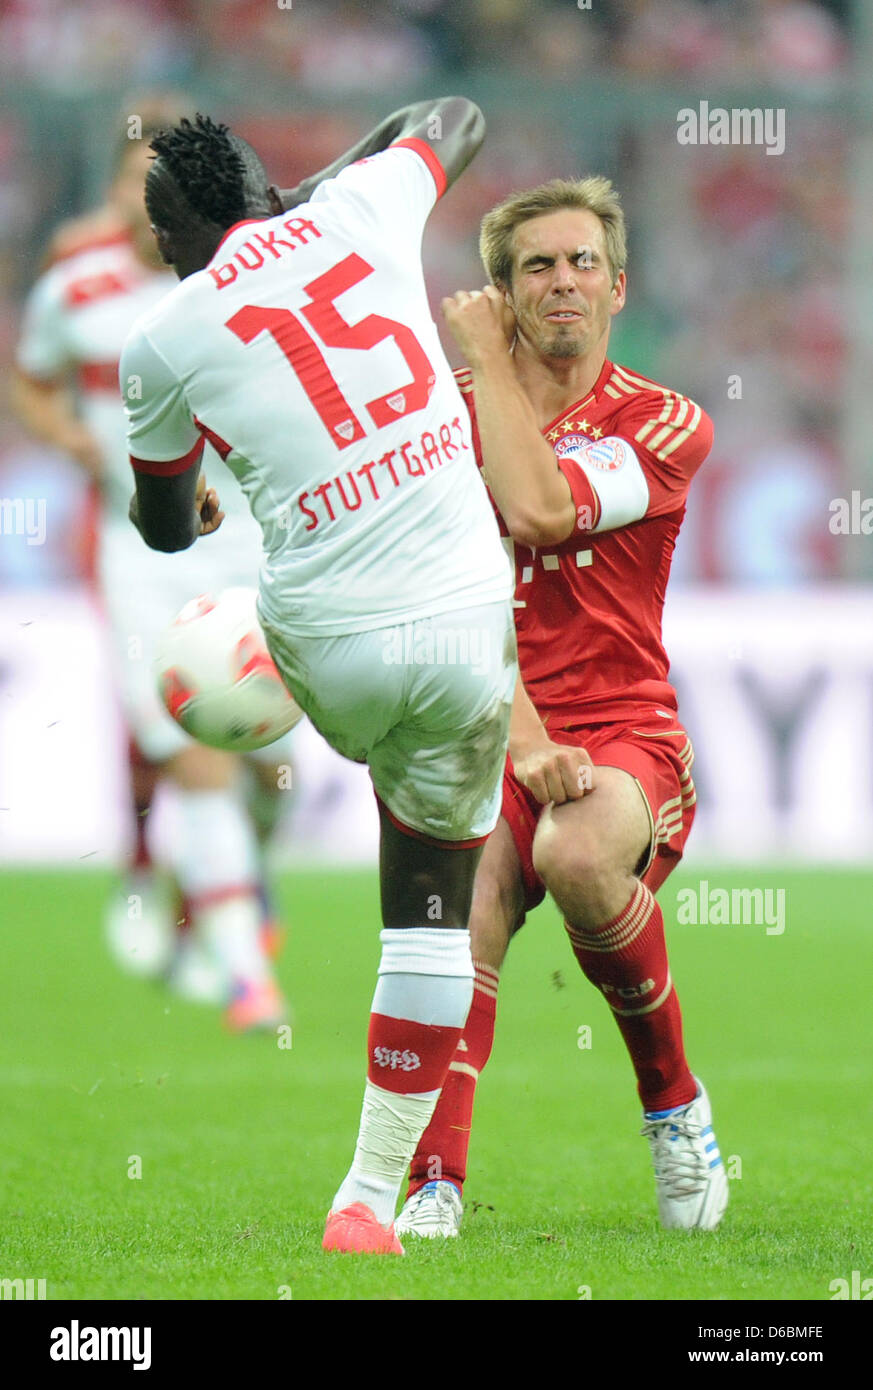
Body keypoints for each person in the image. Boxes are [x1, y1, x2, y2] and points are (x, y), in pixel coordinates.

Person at [120, 102, 517, 1254]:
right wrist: (319, 190)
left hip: (327, 649)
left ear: (169, 240)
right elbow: (453, 113)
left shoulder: (166, 333)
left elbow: (160, 527)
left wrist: (190, 504)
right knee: (434, 912)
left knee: (230, 631)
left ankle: (235, 837)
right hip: (468, 623)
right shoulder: (364, 201)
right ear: (267, 186)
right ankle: (368, 1202)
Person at [395, 175, 729, 1237]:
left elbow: (540, 510)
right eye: (537, 265)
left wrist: (486, 359)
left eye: (584, 262)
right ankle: (434, 1182)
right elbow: (436, 584)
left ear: (619, 286)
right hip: (490, 717)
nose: (564, 282)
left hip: (628, 729)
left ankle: (674, 1106)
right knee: (465, 907)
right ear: (503, 291)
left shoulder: (668, 424)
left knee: (579, 858)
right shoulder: (439, 418)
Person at [12, 108, 291, 1030]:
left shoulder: (234, 284)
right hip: (141, 553)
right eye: (137, 181)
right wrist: (70, 441)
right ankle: (247, 971)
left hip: (253, 546)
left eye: (165, 185)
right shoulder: (76, 286)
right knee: (195, 748)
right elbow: (30, 375)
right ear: (114, 191)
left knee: (269, 760)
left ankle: (225, 888)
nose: (149, 201)